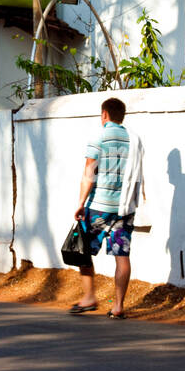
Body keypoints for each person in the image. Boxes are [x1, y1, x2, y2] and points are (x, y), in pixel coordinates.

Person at [70, 97, 143, 319]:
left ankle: (89, 297)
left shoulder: (98, 137)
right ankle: (118, 305)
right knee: (122, 256)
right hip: (124, 207)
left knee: (82, 250)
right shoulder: (135, 140)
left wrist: (81, 203)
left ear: (104, 114)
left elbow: (88, 174)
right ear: (122, 115)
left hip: (99, 207)